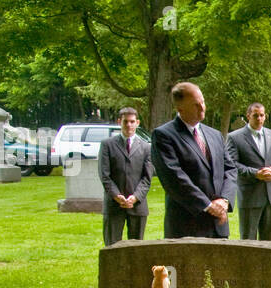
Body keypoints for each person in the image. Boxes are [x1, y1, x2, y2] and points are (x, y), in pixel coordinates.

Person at [150, 82, 238, 239]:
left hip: (218, 225)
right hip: (187, 225)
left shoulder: (215, 135)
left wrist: (224, 201)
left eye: (202, 102)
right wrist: (208, 206)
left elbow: (230, 169)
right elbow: (174, 178)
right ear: (180, 108)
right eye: (196, 105)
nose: (202, 108)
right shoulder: (164, 136)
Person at [225, 102, 271, 240]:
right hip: (250, 196)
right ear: (248, 116)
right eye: (255, 115)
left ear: (265, 116)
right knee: (249, 241)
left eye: (261, 115)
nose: (259, 119)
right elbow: (231, 164)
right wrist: (255, 173)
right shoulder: (235, 137)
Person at [98, 106, 153, 246]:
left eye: (132, 121)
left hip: (138, 205)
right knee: (111, 248)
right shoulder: (107, 145)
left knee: (136, 249)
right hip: (114, 205)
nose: (129, 125)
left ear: (137, 123)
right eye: (125, 121)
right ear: (119, 122)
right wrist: (117, 196)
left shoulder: (146, 148)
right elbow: (104, 175)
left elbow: (147, 178)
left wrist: (135, 197)